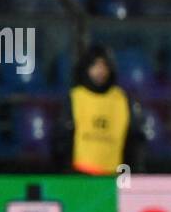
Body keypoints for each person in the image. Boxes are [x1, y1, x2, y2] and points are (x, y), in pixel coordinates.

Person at [54, 44, 145, 175]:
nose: (100, 71)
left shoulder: (123, 99)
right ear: (86, 68)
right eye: (95, 66)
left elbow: (135, 140)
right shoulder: (75, 97)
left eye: (104, 66)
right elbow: (62, 140)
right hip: (80, 175)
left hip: (114, 176)